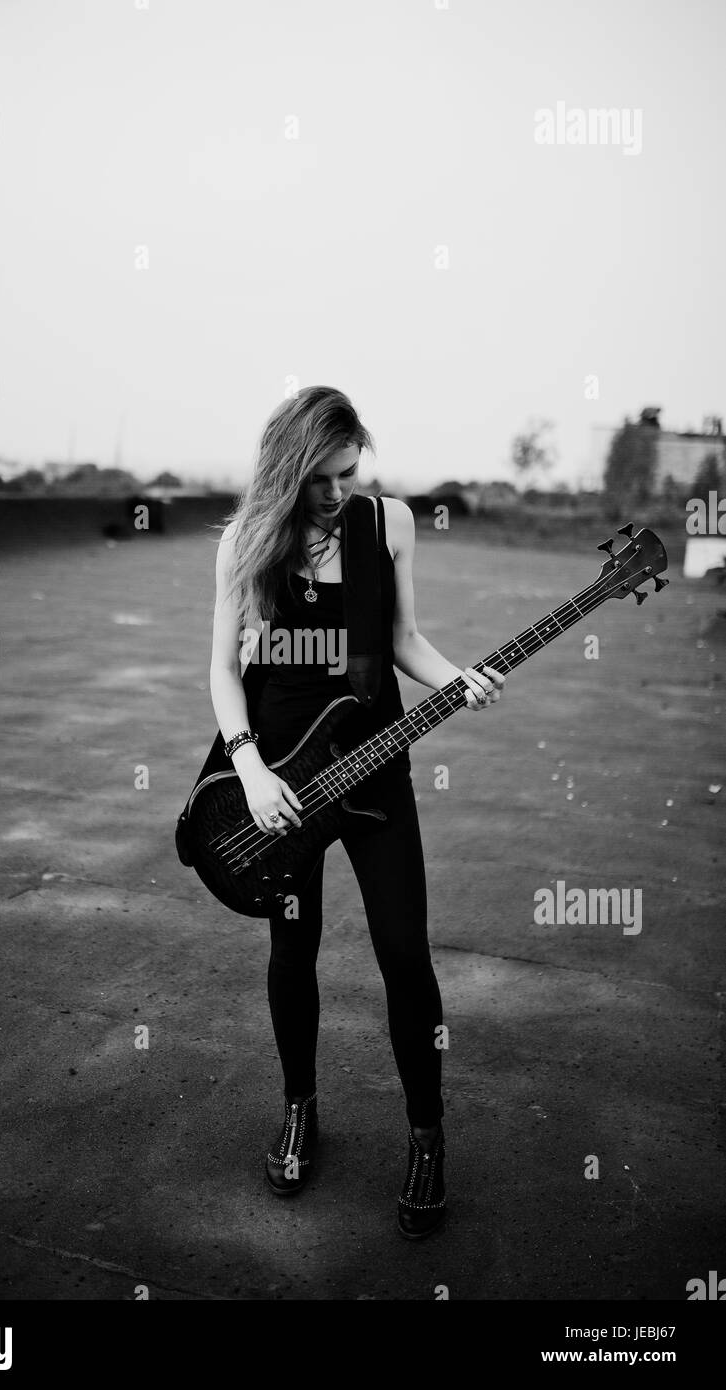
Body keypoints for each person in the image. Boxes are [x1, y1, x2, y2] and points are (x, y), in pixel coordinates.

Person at [209, 386, 505, 1238]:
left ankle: (425, 1136)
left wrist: (454, 677)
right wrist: (251, 769)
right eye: (320, 479)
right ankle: (300, 1108)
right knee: (291, 951)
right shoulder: (244, 542)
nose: (338, 492)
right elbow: (225, 672)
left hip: (374, 773)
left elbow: (404, 637)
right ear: (286, 470)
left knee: (405, 956)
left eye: (349, 473)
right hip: (282, 781)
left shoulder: (391, 526)